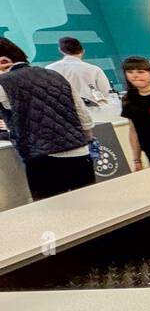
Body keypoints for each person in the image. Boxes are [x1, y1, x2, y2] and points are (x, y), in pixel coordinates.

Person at [0, 37, 95, 200]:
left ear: (3, 60)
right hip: (80, 155)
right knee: (95, 210)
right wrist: (83, 140)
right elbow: (83, 116)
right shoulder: (54, 75)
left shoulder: (4, 83)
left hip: (43, 160)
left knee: (54, 216)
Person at [49, 37, 112, 106]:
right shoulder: (94, 69)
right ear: (83, 51)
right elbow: (107, 94)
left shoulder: (50, 69)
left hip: (64, 110)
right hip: (93, 111)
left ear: (60, 50)